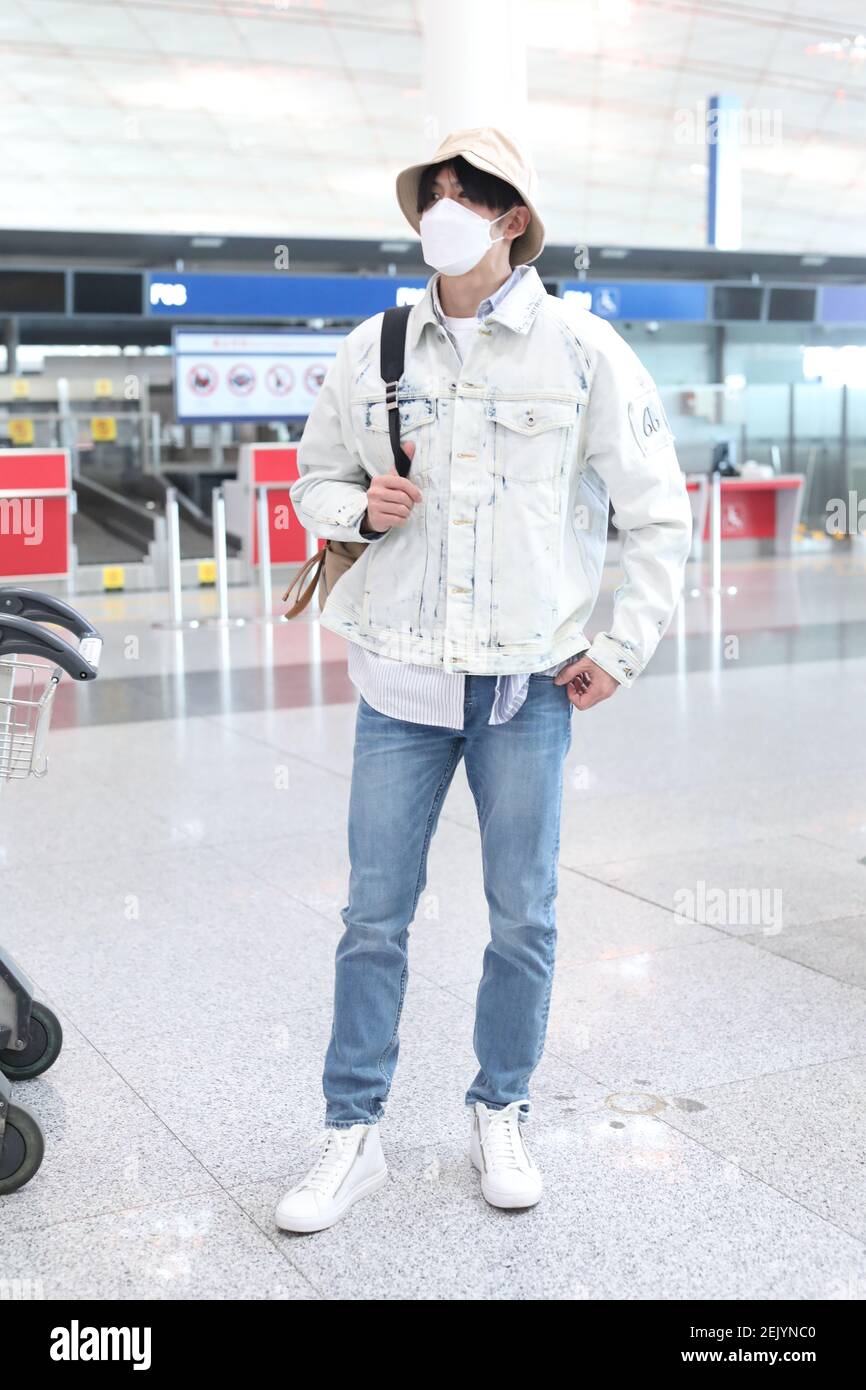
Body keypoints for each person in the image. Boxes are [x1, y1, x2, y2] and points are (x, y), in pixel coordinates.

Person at [278, 127, 692, 1233]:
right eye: (433, 192)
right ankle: (349, 1130)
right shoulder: (373, 347)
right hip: (398, 690)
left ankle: (498, 1107)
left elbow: (657, 511)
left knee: (524, 917)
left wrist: (618, 645)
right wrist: (350, 508)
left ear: (512, 220)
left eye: (466, 195)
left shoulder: (583, 352)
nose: (441, 210)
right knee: (372, 913)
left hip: (525, 692)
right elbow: (311, 477)